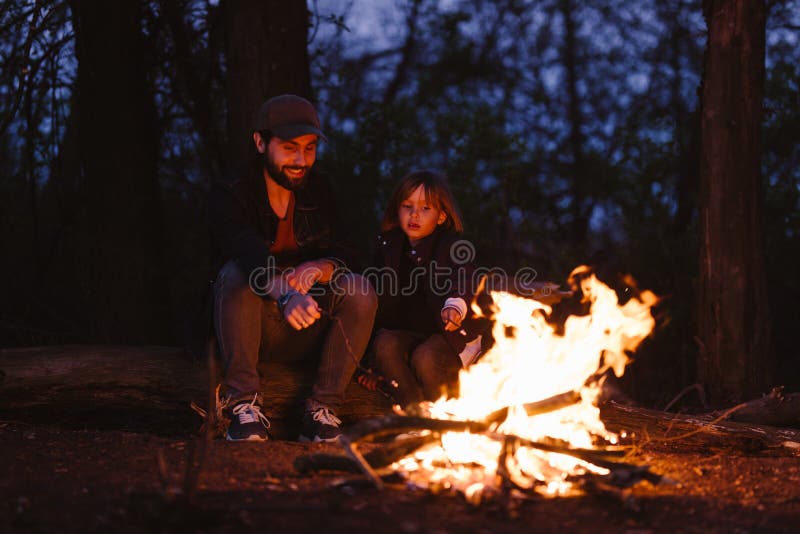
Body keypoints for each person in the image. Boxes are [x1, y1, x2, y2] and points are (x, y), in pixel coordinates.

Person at [208, 94, 377, 442]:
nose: (301, 160)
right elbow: (244, 250)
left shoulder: (321, 189)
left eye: (310, 148)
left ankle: (322, 411)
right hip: (248, 328)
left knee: (360, 288)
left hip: (307, 325)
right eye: (289, 147)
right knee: (236, 274)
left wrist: (320, 266)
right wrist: (286, 294)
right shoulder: (231, 193)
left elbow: (350, 250)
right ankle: (243, 405)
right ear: (260, 142)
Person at [368, 169, 487, 410]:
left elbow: (465, 277)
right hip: (410, 332)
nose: (414, 215)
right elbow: (372, 298)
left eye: (425, 208)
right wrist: (366, 365)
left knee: (426, 357)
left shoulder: (451, 246)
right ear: (397, 210)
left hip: (450, 334)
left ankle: (451, 415)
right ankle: (417, 414)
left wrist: (455, 306)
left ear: (441, 216)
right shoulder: (388, 247)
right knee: (384, 345)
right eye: (407, 206)